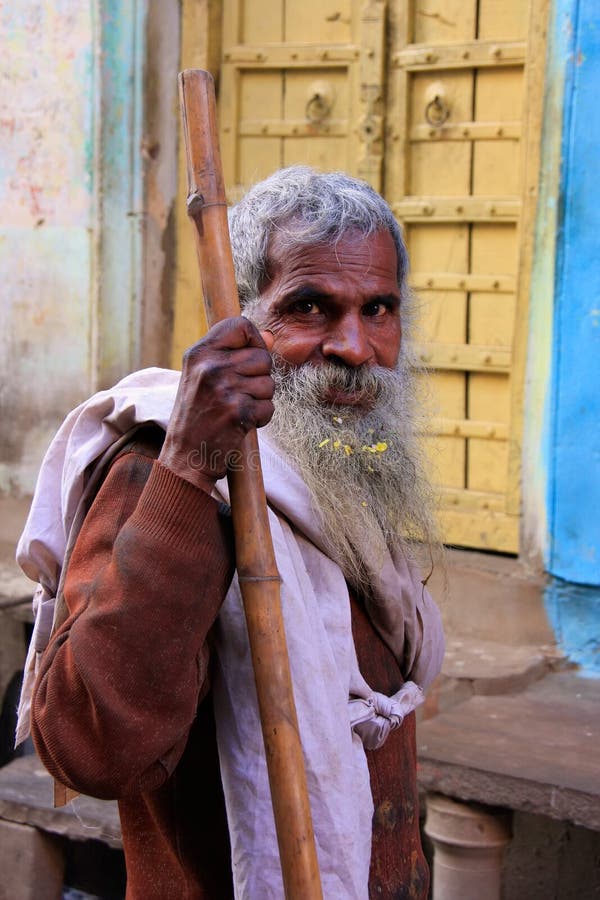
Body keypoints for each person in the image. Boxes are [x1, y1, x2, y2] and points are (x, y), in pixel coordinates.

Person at [16, 166, 444, 899]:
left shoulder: (338, 467)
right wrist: (188, 466)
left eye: (378, 308)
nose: (355, 345)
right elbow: (88, 746)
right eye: (309, 307)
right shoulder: (165, 471)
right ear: (238, 317)